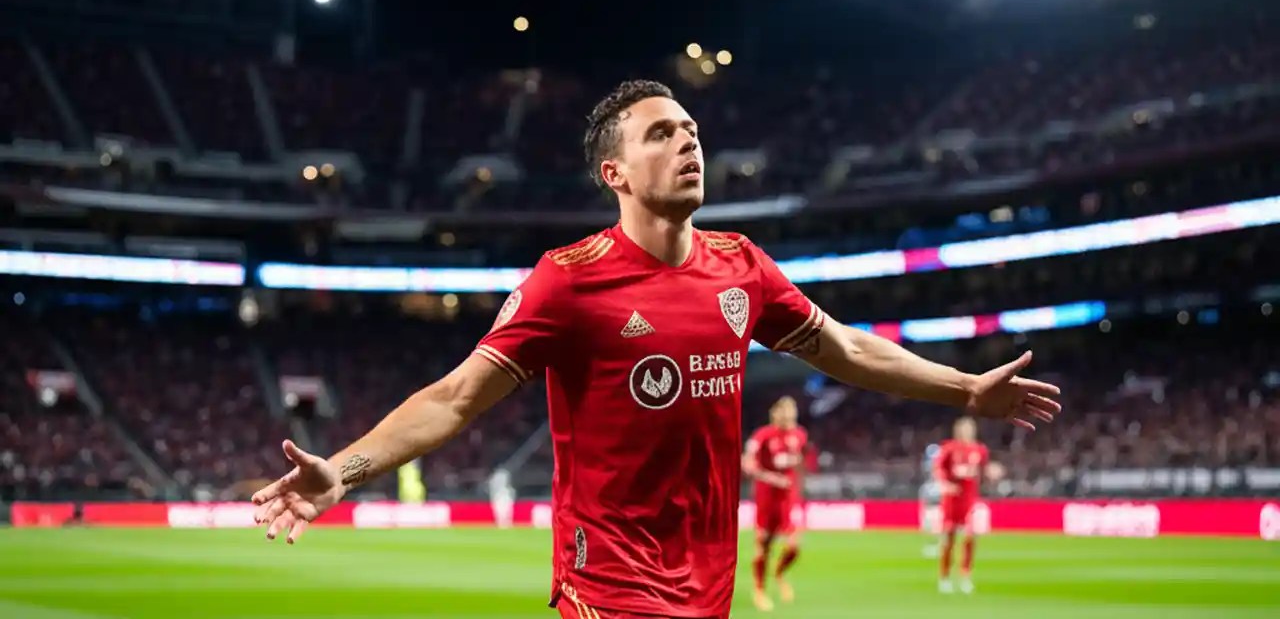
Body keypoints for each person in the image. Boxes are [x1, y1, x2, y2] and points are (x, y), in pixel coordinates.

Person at [250, 80, 1062, 619]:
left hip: (708, 586)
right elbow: (455, 396)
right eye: (663, 133)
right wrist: (345, 472)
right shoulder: (567, 282)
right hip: (607, 585)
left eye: (693, 130)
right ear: (616, 172)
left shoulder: (743, 266)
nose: (688, 143)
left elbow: (843, 347)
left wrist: (963, 390)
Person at [743, 396, 811, 612]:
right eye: (785, 413)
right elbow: (747, 464)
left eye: (793, 413)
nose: (789, 417)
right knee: (763, 546)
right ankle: (760, 589)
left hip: (789, 499)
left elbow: (800, 462)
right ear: (775, 414)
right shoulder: (762, 436)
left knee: (794, 545)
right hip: (766, 499)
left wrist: (797, 487)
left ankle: (780, 573)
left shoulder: (800, 435)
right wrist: (770, 478)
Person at [933, 416, 996, 594]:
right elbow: (938, 468)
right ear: (958, 430)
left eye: (970, 428)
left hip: (970, 500)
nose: (967, 432)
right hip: (952, 501)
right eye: (965, 428)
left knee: (970, 536)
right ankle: (944, 577)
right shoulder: (950, 448)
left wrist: (992, 474)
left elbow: (984, 471)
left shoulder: (980, 450)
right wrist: (945, 484)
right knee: (949, 538)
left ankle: (965, 575)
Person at [919, 442, 943, 558]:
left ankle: (939, 545)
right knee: (930, 524)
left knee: (937, 524)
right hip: (932, 499)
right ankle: (935, 544)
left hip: (938, 501)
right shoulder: (929, 467)